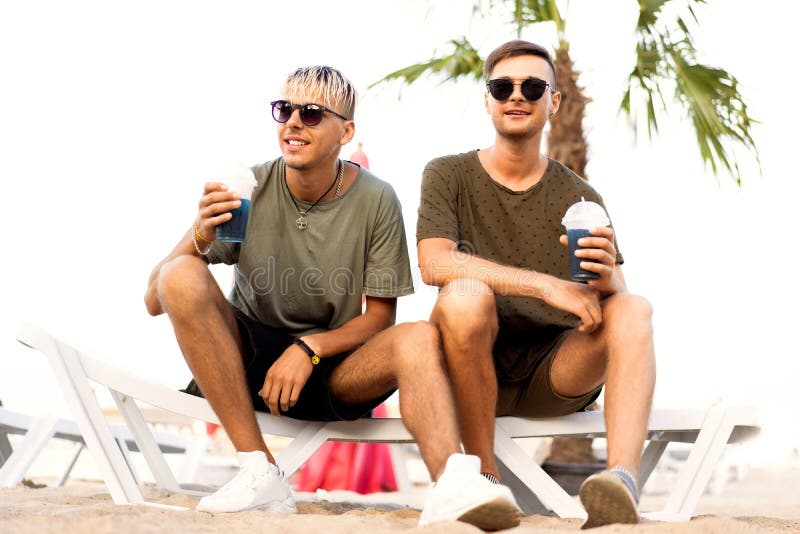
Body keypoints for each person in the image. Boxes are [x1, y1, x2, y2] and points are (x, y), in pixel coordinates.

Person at [144, 65, 520, 529]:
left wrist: (309, 349)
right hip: (245, 365)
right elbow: (156, 298)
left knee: (419, 335)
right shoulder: (248, 188)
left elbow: (379, 318)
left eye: (311, 113)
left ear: (346, 132)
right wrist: (201, 233)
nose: (293, 122)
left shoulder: (376, 199)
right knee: (181, 272)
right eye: (284, 109)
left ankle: (452, 485)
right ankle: (258, 470)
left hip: (336, 369)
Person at [416, 41, 656, 528]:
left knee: (635, 308)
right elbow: (434, 263)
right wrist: (544, 285)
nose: (516, 96)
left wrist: (606, 275)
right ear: (487, 99)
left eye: (532, 87)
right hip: (468, 365)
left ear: (555, 101)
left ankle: (621, 481)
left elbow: (618, 301)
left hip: (556, 373)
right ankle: (483, 480)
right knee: (465, 296)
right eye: (502, 86)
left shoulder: (580, 195)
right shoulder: (448, 174)